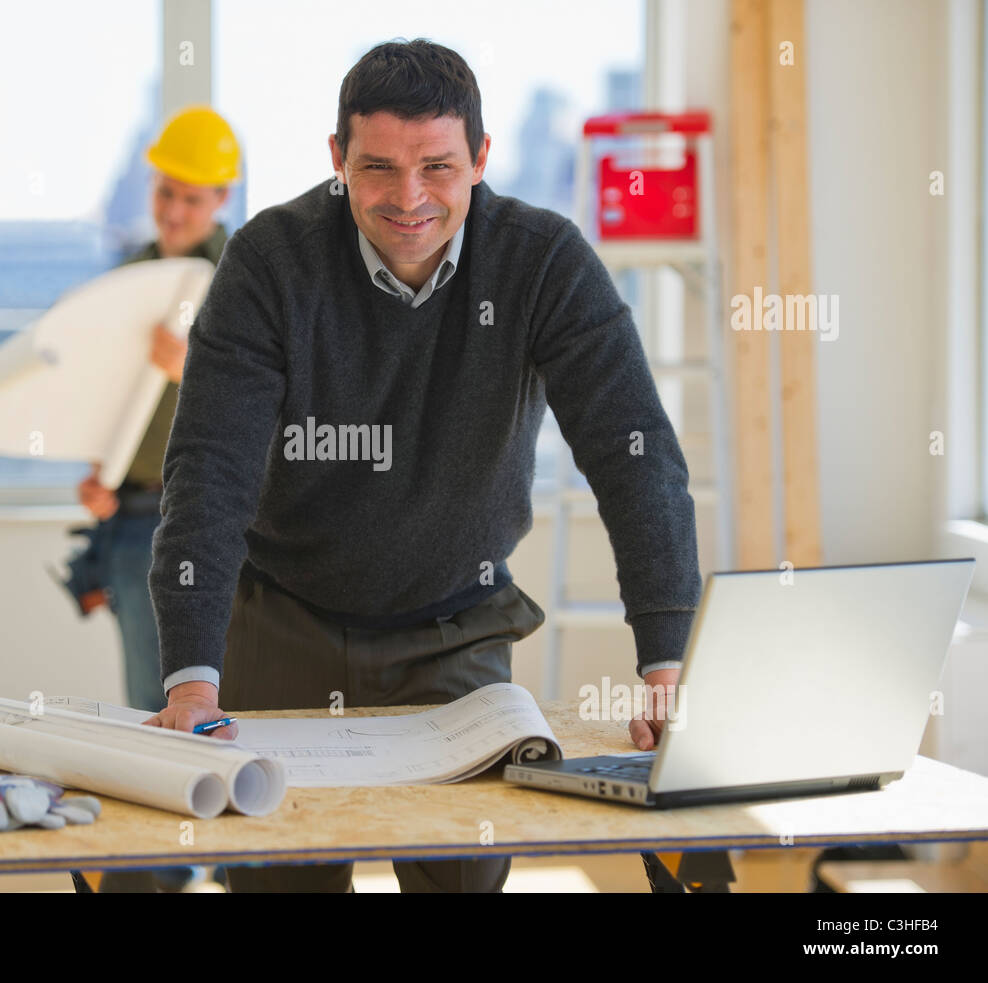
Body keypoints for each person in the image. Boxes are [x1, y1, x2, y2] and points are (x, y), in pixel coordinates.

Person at [141, 39, 702, 892]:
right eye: (377, 168)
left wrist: (665, 661)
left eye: (438, 166)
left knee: (464, 877)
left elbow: (635, 454)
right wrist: (190, 677)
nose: (409, 199)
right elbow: (210, 469)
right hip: (284, 618)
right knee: (274, 881)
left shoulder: (542, 262)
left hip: (456, 627)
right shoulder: (270, 261)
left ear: (481, 158)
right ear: (337, 160)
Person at [72, 106, 239, 894]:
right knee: (153, 704)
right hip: (136, 519)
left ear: (221, 199)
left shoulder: (244, 279)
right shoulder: (128, 277)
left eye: (192, 198)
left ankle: (234, 868)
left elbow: (279, 404)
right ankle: (162, 878)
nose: (175, 211)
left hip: (226, 526)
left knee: (224, 702)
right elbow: (102, 395)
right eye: (167, 192)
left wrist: (193, 367)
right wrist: (97, 473)